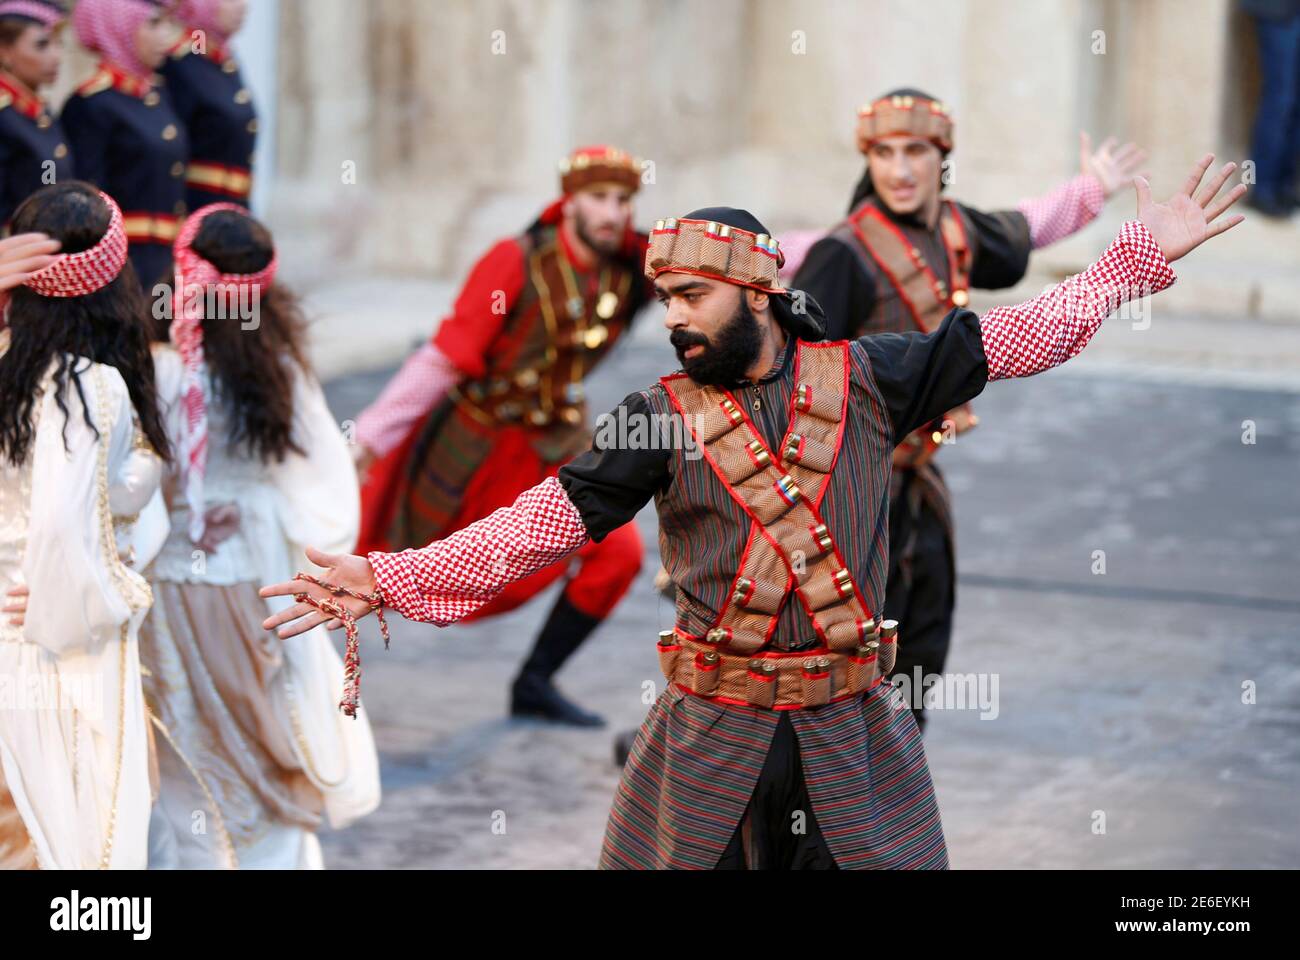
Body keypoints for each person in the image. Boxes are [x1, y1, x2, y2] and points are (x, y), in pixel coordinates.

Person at [260, 155, 1243, 870]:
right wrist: (389, 575)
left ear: (760, 290)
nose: (674, 316)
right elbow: (539, 526)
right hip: (708, 733)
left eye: (692, 294)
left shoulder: (873, 375)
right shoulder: (655, 418)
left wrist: (1128, 262)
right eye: (666, 299)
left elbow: (1025, 334)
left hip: (850, 731)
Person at [792, 90, 1147, 728]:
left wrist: (1091, 190)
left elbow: (1021, 230)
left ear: (941, 158)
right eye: (884, 153)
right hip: (848, 494)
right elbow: (790, 376)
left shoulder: (954, 230)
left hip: (917, 478)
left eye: (916, 153)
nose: (900, 170)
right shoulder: (843, 254)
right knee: (839, 664)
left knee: (923, 636)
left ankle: (891, 783)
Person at [351, 145, 650, 727]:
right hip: (475, 446)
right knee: (371, 560)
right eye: (598, 198)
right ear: (568, 201)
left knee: (620, 553)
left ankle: (535, 683)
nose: (612, 212)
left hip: (559, 445)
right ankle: (295, 676)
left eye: (622, 200)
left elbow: (725, 256)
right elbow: (446, 357)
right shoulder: (513, 261)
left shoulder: (632, 263)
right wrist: (368, 438)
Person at [140, 203, 380, 868]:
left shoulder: (156, 371)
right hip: (254, 588)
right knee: (264, 738)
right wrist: (259, 517)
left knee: (184, 752)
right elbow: (324, 487)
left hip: (170, 584)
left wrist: (182, 509)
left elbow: (132, 485)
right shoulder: (276, 370)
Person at [0, 181, 171, 869]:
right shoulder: (91, 386)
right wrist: (121, 592)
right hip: (60, 641)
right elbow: (66, 531)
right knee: (69, 839)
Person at [61, 0, 187, 291]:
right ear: (120, 28)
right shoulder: (92, 103)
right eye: (153, 24)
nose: (165, 36)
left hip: (165, 260)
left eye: (167, 23)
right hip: (123, 265)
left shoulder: (156, 95)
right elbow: (86, 199)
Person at [161, 0, 257, 210]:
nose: (242, 6)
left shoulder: (224, 61)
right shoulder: (182, 63)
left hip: (232, 206)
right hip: (198, 208)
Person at [0, 0, 73, 229]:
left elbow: (48, 178)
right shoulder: (5, 115)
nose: (56, 57)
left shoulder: (37, 110)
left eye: (58, 44)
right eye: (41, 46)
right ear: (4, 51)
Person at [1240, 0, 1300, 217]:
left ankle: (1285, 186)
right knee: (1280, 97)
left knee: (1293, 102)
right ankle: (1262, 188)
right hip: (1278, 9)